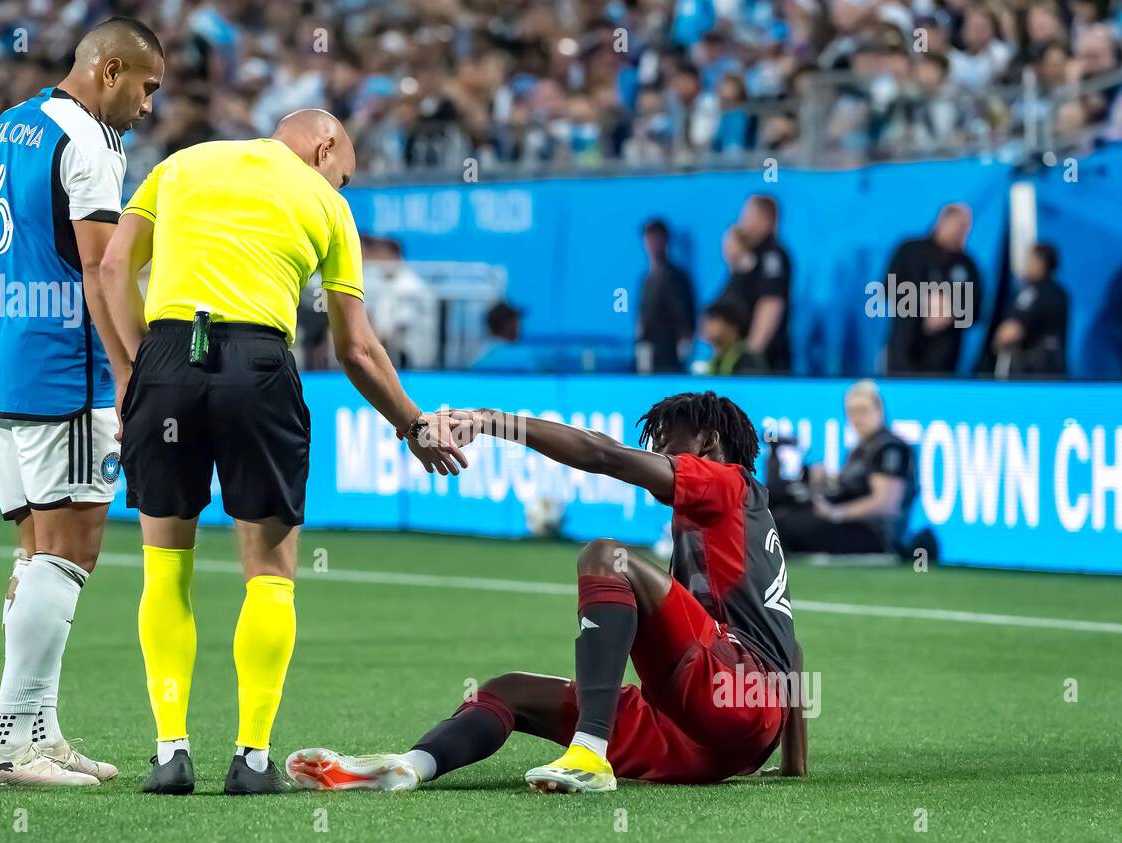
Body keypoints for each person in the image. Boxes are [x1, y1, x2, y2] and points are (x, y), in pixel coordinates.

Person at [100, 108, 467, 797]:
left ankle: (171, 752)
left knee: (164, 565)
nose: (344, 186)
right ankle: (254, 759)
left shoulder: (181, 164)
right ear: (325, 146)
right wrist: (413, 424)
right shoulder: (326, 205)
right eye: (346, 174)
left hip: (169, 358)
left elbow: (116, 264)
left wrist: (133, 371)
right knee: (269, 571)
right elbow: (356, 349)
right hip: (258, 366)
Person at [285, 392, 808, 794]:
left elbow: (605, 456)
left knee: (608, 557)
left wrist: (491, 421)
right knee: (506, 690)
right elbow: (792, 648)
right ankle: (409, 766)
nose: (659, 455)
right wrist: (790, 764)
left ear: (708, 442)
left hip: (729, 702)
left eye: (669, 442)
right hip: (709, 745)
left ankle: (588, 751)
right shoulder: (740, 529)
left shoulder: (726, 481)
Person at [0, 17, 164, 787]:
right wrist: (129, 371)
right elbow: (101, 269)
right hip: (61, 373)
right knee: (69, 553)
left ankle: (37, 731)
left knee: (34, 552)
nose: (147, 106)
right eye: (145, 87)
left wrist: (0, 325)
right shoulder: (86, 140)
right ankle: (8, 745)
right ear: (108, 70)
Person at [768, 380, 915, 555]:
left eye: (863, 411)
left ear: (879, 410)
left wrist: (836, 513)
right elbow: (850, 488)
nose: (857, 418)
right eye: (852, 412)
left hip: (872, 532)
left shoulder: (890, 448)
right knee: (777, 508)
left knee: (783, 526)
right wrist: (824, 481)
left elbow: (886, 503)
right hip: (847, 523)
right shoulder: (860, 450)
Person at [885, 204, 982, 375]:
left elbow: (976, 310)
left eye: (965, 229)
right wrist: (924, 303)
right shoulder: (910, 250)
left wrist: (950, 311)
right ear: (943, 221)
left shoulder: (966, 264)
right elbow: (889, 287)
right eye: (958, 226)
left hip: (942, 359)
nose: (961, 233)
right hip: (905, 353)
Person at [729, 196, 792, 371]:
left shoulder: (772, 256)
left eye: (749, 217)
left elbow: (772, 302)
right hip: (739, 354)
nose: (743, 224)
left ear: (765, 220)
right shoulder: (752, 255)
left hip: (767, 360)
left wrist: (753, 350)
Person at [991, 243, 1069, 377]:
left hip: (1034, 369)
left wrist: (997, 343)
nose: (1027, 264)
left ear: (1042, 263)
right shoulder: (1060, 293)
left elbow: (1012, 331)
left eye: (1030, 260)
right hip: (1055, 368)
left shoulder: (1035, 292)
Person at [636, 219, 696, 373]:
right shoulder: (646, 279)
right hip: (646, 351)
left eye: (656, 237)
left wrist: (685, 344)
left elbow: (684, 314)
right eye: (648, 237)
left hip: (669, 353)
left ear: (666, 240)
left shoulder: (676, 276)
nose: (652, 243)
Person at [700, 299, 766, 375]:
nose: (706, 326)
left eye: (713, 320)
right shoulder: (713, 362)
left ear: (732, 328)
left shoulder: (746, 360)